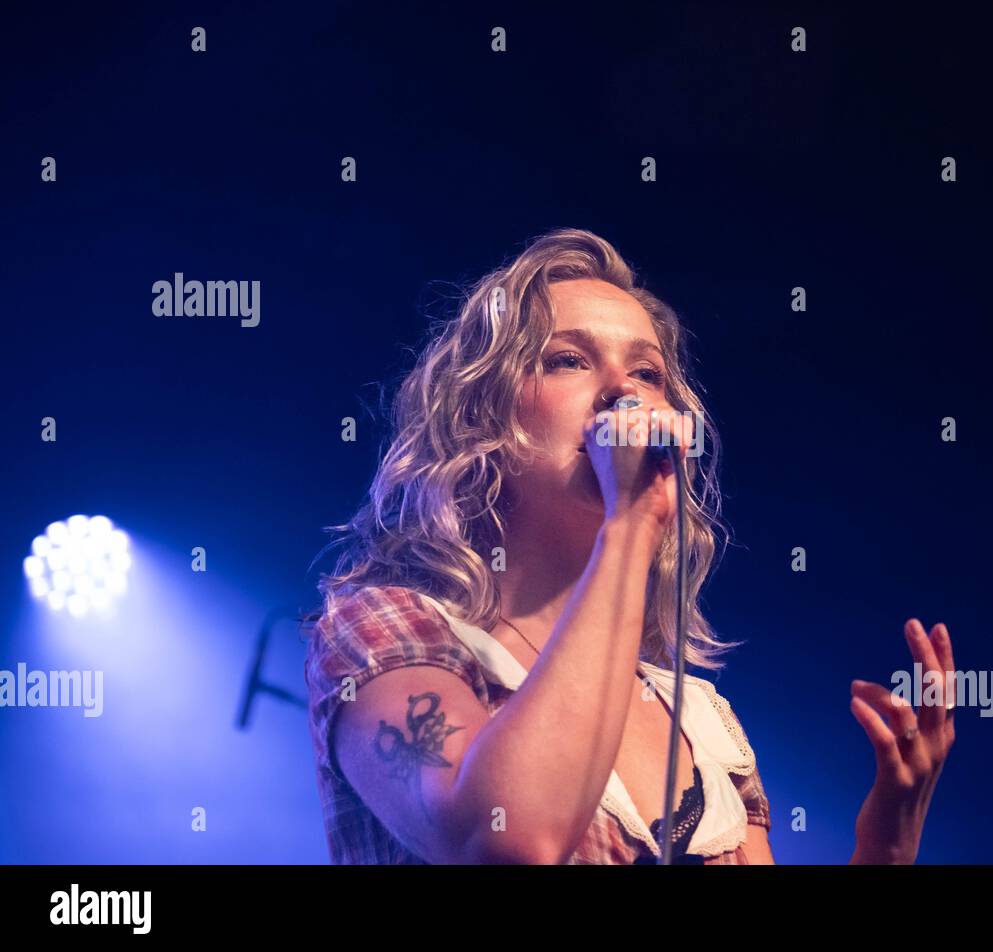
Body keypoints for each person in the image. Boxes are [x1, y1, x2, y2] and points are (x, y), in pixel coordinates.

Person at [303, 227, 956, 864]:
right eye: (569, 360)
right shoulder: (386, 630)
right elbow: (504, 841)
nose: (623, 390)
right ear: (483, 422)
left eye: (646, 372)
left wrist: (887, 844)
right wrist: (632, 524)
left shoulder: (698, 719)